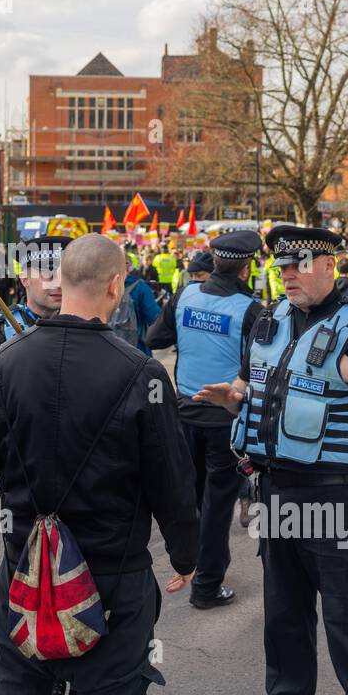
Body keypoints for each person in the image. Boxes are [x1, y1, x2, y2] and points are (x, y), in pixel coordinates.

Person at [0, 233, 199, 695]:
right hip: (113, 579)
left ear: (62, 280)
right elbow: (173, 483)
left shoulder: (1, 362)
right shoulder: (142, 374)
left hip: (25, 569)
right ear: (116, 286)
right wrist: (186, 556)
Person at [196, 225, 348, 695]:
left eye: (297, 266)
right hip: (275, 493)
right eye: (281, 268)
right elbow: (255, 390)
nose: (287, 276)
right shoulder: (270, 318)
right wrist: (233, 399)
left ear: (327, 265)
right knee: (283, 623)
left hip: (336, 495)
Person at [146, 231, 263, 609]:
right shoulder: (251, 310)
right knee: (217, 504)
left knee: (190, 497)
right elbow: (259, 367)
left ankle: (189, 566)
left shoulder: (185, 295)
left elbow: (155, 338)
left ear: (214, 262)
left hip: (184, 413)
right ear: (247, 268)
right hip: (225, 420)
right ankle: (207, 585)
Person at [0, 236, 69, 356]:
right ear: (25, 279)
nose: (58, 283)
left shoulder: (81, 326)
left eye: (63, 274)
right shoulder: (2, 331)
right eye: (48, 273)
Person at [112, 258, 161, 356]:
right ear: (129, 267)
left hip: (109, 347)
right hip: (136, 349)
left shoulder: (101, 285)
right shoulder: (139, 287)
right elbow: (155, 319)